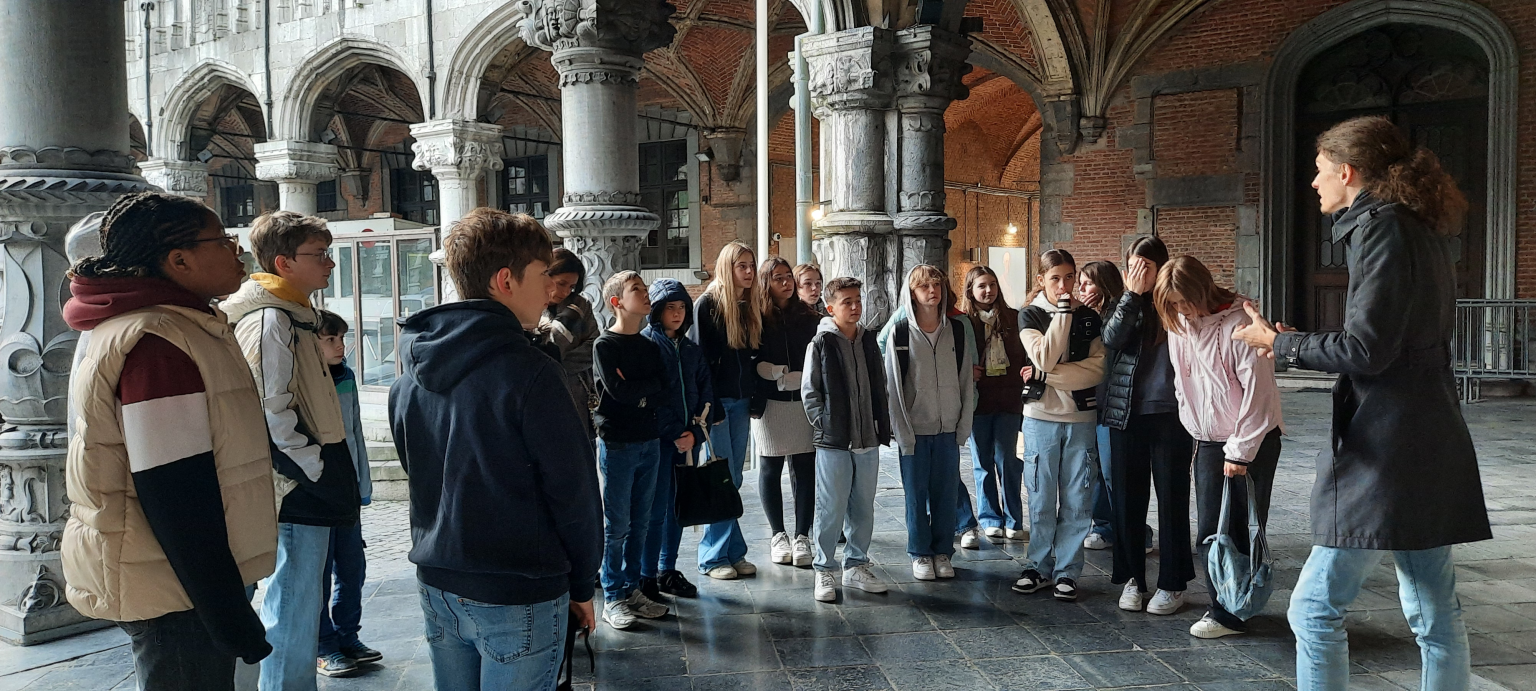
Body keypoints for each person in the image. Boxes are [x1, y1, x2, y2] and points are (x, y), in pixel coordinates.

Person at [1233, 115, 1490, 690]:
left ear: (1348, 172)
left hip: (1388, 448)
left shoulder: (1382, 229)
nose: (1315, 183)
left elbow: (1367, 350)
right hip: (1423, 437)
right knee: (1433, 612)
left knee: (1313, 610)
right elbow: (1387, 343)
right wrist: (1297, 341)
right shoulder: (1412, 226)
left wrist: (1280, 342)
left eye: (1321, 172)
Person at [61, 192, 276, 691]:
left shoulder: (169, 326)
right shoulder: (158, 341)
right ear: (179, 260)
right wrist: (225, 609)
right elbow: (174, 489)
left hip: (176, 576)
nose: (236, 249)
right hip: (174, 585)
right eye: (221, 241)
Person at [390, 208, 601, 690]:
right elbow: (573, 493)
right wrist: (583, 582)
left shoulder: (413, 369)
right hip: (518, 587)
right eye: (544, 274)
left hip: (438, 579)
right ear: (506, 280)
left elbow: (418, 470)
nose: (552, 288)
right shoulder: (531, 373)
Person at [221, 211, 360, 691]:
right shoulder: (269, 320)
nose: (330, 264)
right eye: (318, 255)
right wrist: (315, 470)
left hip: (305, 481)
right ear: (283, 262)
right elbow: (269, 411)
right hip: (296, 488)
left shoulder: (293, 315)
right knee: (294, 604)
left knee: (301, 600)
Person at [1152, 257, 1284, 640]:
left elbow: (1259, 396)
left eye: (1184, 301)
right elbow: (1183, 380)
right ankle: (1232, 605)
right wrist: (1193, 426)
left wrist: (1239, 453)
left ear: (1202, 291)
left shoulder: (1239, 325)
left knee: (1231, 529)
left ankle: (1227, 613)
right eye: (1172, 303)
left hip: (1250, 439)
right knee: (1213, 530)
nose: (1181, 310)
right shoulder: (1179, 326)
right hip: (1209, 438)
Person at [1100, 236, 1194, 616]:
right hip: (1126, 413)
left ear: (1162, 269)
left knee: (1172, 499)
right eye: (1132, 266)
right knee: (1126, 501)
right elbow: (1112, 340)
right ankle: (1132, 579)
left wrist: (1156, 295)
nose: (1138, 274)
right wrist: (1132, 295)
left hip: (1171, 415)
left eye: (1147, 267)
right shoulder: (1121, 304)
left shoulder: (1176, 304)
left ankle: (1172, 584)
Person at [1010, 250, 1105, 602]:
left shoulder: (1090, 319)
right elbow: (1045, 354)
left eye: (1069, 278)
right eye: (1055, 279)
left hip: (1081, 417)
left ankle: (1067, 570)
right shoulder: (1030, 314)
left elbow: (1096, 371)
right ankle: (1038, 566)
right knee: (1040, 495)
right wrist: (1063, 314)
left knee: (1078, 497)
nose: (1064, 286)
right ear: (1041, 281)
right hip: (1040, 417)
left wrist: (1045, 376)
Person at [802, 277, 891, 602]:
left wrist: (881, 422)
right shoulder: (822, 343)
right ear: (830, 308)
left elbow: (879, 383)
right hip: (834, 440)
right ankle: (824, 569)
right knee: (831, 506)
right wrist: (824, 422)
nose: (855, 307)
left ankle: (856, 564)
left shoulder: (868, 340)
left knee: (863, 506)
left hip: (867, 436)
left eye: (858, 300)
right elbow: (810, 392)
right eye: (847, 302)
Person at [886, 265, 976, 581]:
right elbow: (894, 387)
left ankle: (942, 551)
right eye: (923, 286)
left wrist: (963, 424)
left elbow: (967, 380)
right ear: (912, 292)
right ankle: (920, 552)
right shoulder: (899, 333)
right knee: (915, 493)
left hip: (948, 426)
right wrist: (902, 431)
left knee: (946, 493)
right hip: (916, 427)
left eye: (936, 285)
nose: (931, 291)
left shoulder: (958, 331)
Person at [592, 271, 672, 629]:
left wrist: (638, 392)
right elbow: (618, 393)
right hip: (619, 442)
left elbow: (663, 389)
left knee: (640, 522)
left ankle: (632, 587)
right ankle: (612, 596)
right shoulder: (604, 346)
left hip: (649, 439)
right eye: (636, 289)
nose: (645, 294)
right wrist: (643, 393)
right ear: (617, 302)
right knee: (617, 524)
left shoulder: (650, 345)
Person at [313, 310, 380, 676]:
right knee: (320, 574)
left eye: (342, 338)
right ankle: (323, 646)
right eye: (331, 339)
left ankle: (347, 635)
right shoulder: (309, 381)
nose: (341, 346)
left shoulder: (347, 377)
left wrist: (363, 488)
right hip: (320, 494)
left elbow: (356, 434)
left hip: (349, 494)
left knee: (352, 569)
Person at [692, 241, 761, 580]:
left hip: (740, 401)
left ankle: (733, 551)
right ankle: (712, 556)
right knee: (722, 478)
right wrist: (711, 403)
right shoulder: (708, 305)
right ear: (727, 267)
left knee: (734, 477)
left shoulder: (746, 304)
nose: (748, 272)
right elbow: (702, 361)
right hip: (717, 405)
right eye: (742, 266)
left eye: (751, 265)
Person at [639, 279, 711, 600]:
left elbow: (705, 394)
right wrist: (673, 434)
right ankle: (646, 574)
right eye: (670, 307)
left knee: (677, 509)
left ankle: (668, 569)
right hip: (658, 442)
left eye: (682, 306)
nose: (678, 313)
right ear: (656, 310)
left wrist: (694, 434)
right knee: (654, 511)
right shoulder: (646, 347)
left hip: (686, 442)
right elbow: (652, 397)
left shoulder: (693, 350)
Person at [1076, 262, 1149, 553]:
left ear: (1105, 285)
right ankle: (1104, 526)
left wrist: (1097, 315)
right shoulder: (1081, 314)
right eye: (1079, 283)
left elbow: (1114, 343)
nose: (1081, 290)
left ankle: (1137, 532)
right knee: (1091, 470)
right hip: (1085, 402)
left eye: (1087, 284)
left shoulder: (1123, 312)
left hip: (1113, 402)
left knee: (1113, 471)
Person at [753, 257, 821, 568]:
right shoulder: (756, 316)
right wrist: (773, 372)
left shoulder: (809, 315)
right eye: (777, 277)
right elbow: (750, 355)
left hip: (803, 400)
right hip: (770, 402)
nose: (786, 282)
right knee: (770, 467)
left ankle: (802, 535)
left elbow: (818, 354)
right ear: (765, 282)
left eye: (788, 276)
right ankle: (778, 534)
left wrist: (803, 376)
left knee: (804, 466)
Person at [956, 265, 1028, 548]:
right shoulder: (965, 322)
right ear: (971, 290)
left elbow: (1025, 353)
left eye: (992, 284)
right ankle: (989, 518)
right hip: (979, 401)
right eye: (982, 286)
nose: (988, 291)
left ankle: (1014, 519)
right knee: (982, 462)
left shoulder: (1013, 318)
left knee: (1008, 460)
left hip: (1009, 399)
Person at [534, 248, 600, 438]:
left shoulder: (581, 305)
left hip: (577, 389)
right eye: (561, 283)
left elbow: (593, 347)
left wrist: (559, 364)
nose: (564, 292)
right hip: (543, 392)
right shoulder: (532, 305)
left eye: (571, 287)